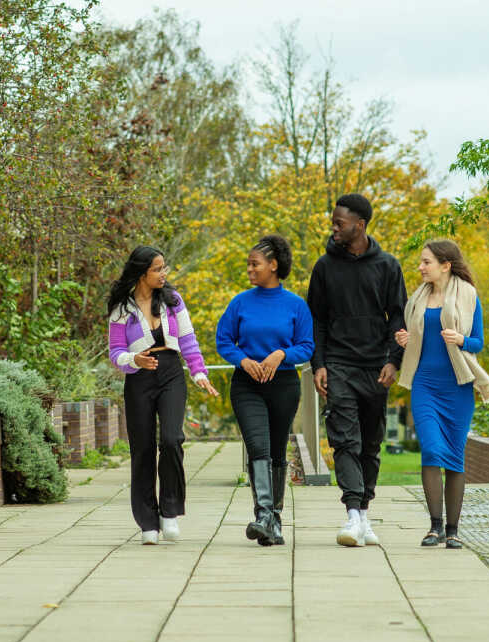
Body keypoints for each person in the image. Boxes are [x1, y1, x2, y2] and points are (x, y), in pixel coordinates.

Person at [306, 193, 408, 548]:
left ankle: (364, 514)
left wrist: (394, 359)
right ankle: (351, 514)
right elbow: (316, 319)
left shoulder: (388, 266)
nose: (333, 228)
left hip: (376, 366)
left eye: (339, 223)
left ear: (360, 225)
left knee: (371, 442)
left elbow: (398, 316)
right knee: (344, 439)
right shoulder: (324, 267)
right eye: (333, 222)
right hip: (338, 364)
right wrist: (318, 364)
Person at [107, 246, 217, 545]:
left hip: (170, 373)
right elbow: (115, 352)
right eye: (158, 269)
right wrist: (134, 360)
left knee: (171, 440)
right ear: (142, 272)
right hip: (139, 379)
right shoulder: (122, 308)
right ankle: (147, 522)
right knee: (142, 450)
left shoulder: (172, 300)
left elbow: (188, 340)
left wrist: (199, 373)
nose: (163, 274)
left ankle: (169, 511)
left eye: (164, 268)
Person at [395, 239, 489, 549]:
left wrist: (461, 339)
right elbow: (417, 339)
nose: (420, 267)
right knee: (431, 450)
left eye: (426, 262)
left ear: (445, 265)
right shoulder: (417, 299)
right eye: (421, 262)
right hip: (425, 384)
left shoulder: (468, 295)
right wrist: (406, 340)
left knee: (454, 456)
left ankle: (453, 531)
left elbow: (478, 342)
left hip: (458, 386)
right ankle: (434, 526)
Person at [215, 235, 314, 547]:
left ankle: (274, 519)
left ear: (274, 265)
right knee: (258, 446)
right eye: (248, 264)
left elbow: (307, 346)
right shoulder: (240, 302)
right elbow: (223, 340)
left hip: (284, 386)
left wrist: (281, 354)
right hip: (247, 386)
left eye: (254, 263)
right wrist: (243, 360)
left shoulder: (296, 305)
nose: (249, 269)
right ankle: (263, 515)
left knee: (275, 450)